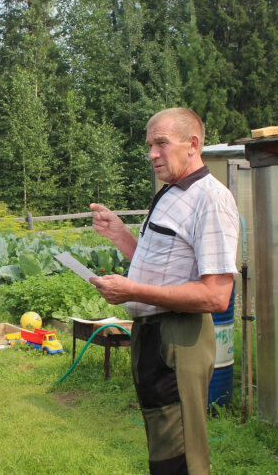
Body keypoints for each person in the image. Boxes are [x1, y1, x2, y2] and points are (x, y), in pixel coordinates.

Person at [89, 107, 239, 475]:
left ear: (193, 144)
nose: (152, 154)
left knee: (182, 455)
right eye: (149, 145)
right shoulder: (171, 193)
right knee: (163, 447)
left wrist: (132, 290)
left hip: (180, 338)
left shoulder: (211, 199)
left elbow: (217, 296)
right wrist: (120, 235)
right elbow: (163, 268)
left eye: (161, 143)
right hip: (154, 336)